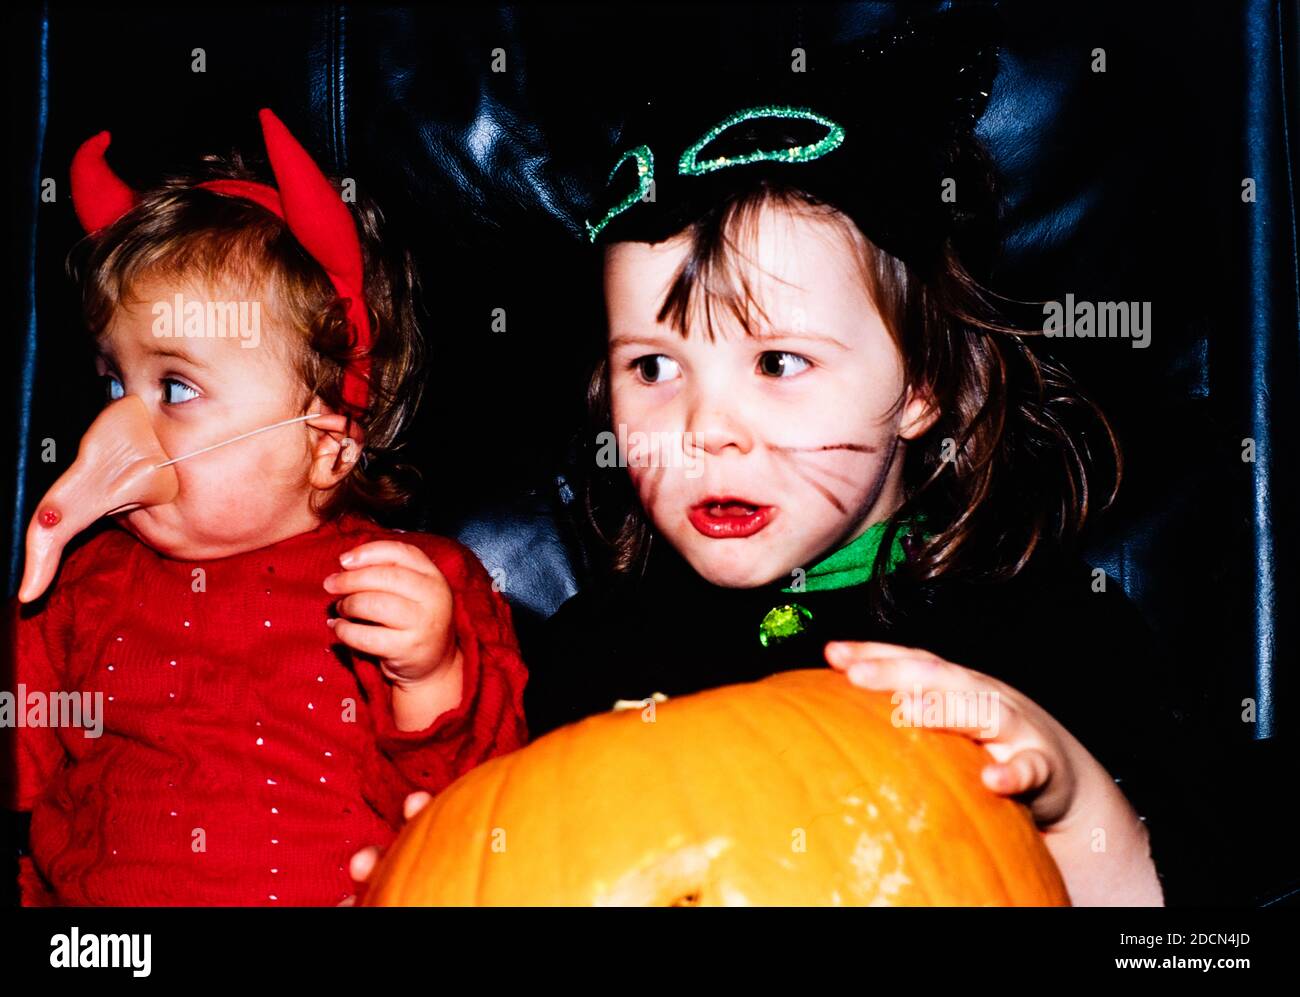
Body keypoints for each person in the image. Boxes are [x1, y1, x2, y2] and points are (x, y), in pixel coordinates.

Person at [521, 9, 1240, 906]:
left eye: (779, 361)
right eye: (653, 366)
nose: (705, 427)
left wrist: (1067, 796)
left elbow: (1200, 942)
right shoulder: (592, 656)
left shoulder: (1047, 635)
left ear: (920, 386)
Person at [1, 109, 528, 905]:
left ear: (326, 444)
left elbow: (491, 810)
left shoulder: (413, 585)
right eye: (115, 381)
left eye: (176, 387)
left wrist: (430, 671)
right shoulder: (80, 585)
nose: (119, 424)